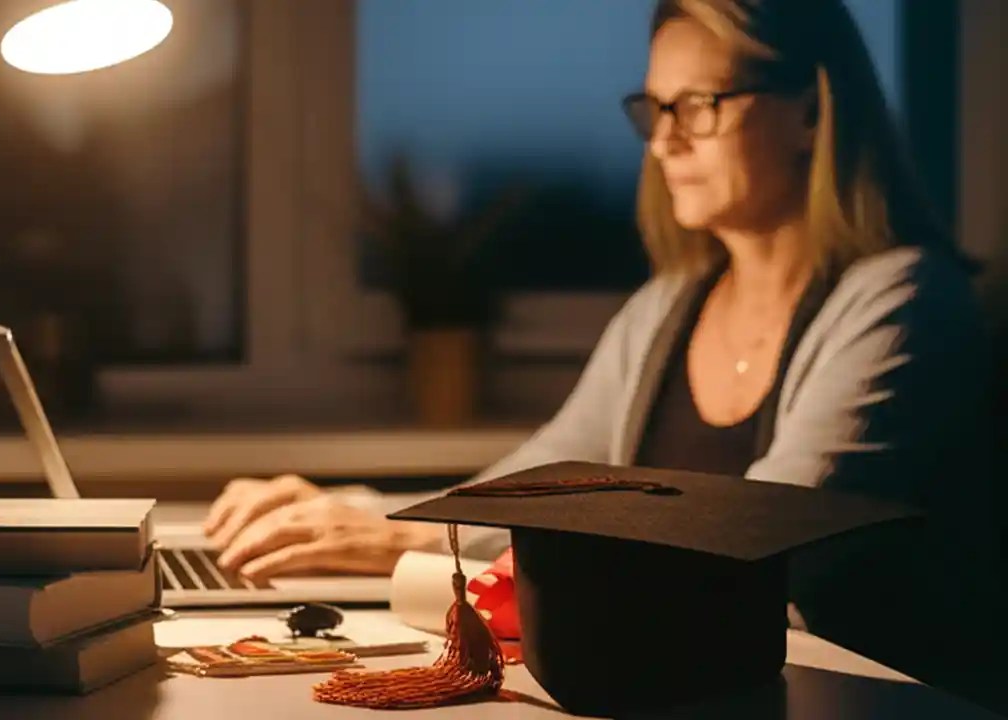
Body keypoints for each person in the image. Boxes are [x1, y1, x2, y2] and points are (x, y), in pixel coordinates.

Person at [205, 0, 999, 692]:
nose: (664, 142)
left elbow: (762, 547)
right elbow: (539, 490)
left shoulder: (901, 299)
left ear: (811, 111)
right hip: (695, 690)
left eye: (700, 104)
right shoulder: (669, 308)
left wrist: (393, 544)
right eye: (655, 109)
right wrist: (342, 514)